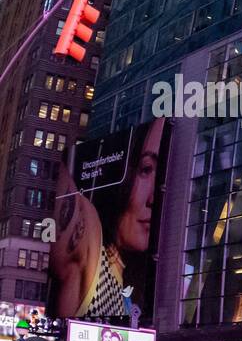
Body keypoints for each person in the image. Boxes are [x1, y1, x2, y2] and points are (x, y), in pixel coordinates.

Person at [49, 116, 166, 320]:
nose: (153, 198)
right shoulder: (92, 245)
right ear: (121, 172)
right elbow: (51, 173)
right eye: (146, 169)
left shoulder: (131, 288)